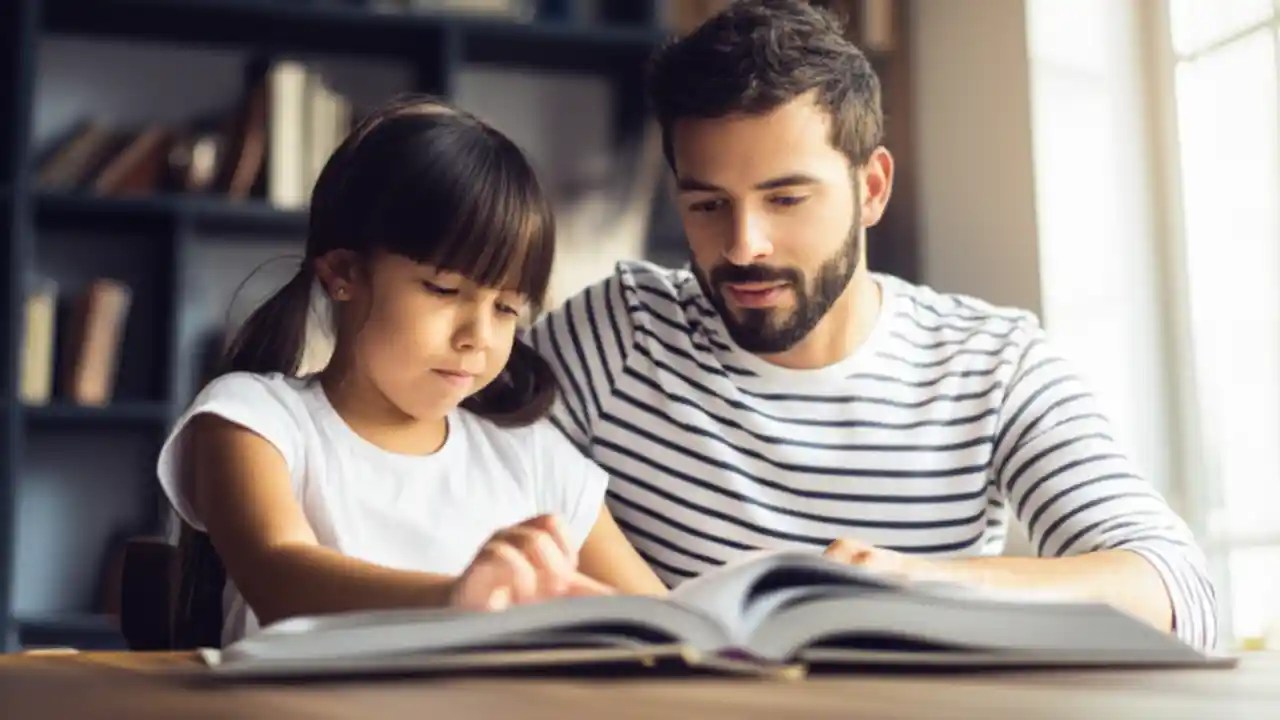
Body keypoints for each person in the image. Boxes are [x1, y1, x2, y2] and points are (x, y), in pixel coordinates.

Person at [528, 0, 1217, 650]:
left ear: (873, 189)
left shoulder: (992, 365)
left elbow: (1180, 593)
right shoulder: (620, 334)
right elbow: (445, 452)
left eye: (786, 198)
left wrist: (921, 582)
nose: (743, 246)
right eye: (708, 206)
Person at [155, 97, 665, 647]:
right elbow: (280, 577)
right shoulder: (252, 422)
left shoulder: (534, 459)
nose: (478, 336)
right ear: (344, 273)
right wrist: (459, 600)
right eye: (445, 291)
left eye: (506, 309)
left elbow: (666, 620)